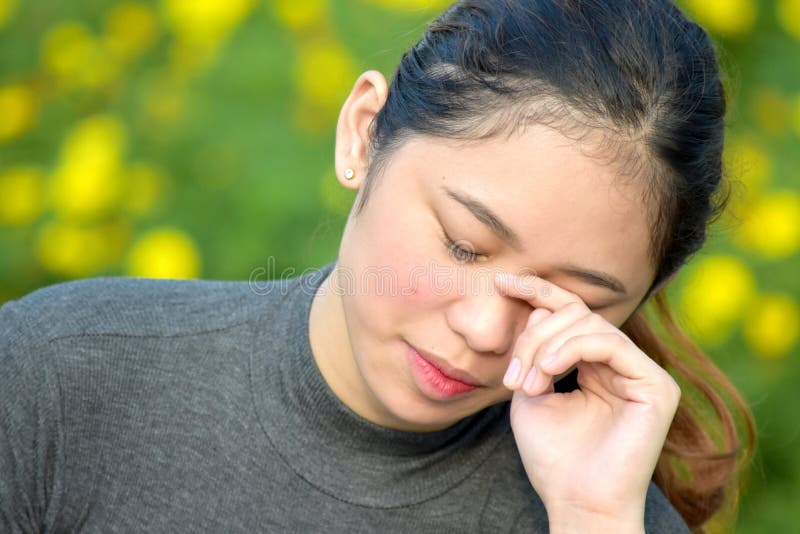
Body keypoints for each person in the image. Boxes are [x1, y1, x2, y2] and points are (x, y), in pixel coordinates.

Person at [0, 0, 755, 532]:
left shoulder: (604, 509)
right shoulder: (59, 382)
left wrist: (592, 519)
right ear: (363, 134)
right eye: (463, 244)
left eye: (569, 300)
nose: (487, 330)